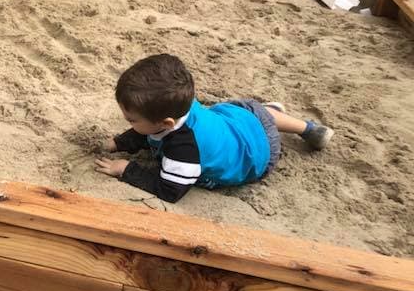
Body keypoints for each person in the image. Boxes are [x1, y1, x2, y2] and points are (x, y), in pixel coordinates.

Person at [93, 53, 333, 203]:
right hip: (235, 123)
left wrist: (126, 169)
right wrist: (119, 143)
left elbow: (170, 191)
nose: (128, 122)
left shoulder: (184, 149)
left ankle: (306, 128)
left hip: (256, 155)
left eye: (131, 120)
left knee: (256, 115)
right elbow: (148, 131)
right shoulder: (180, 106)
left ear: (167, 123)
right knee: (249, 111)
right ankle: (277, 116)